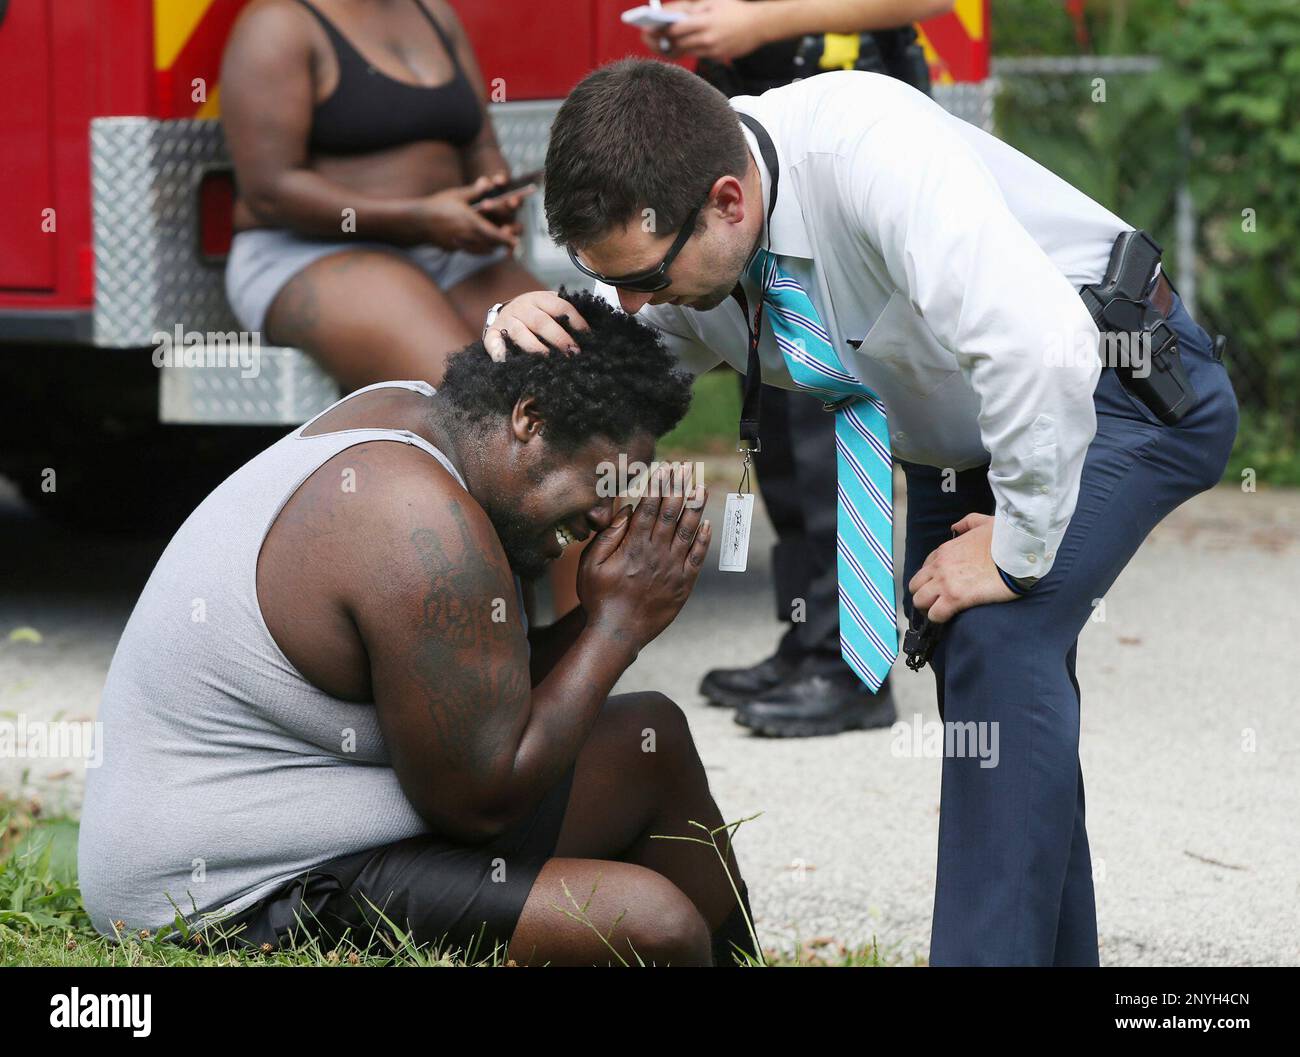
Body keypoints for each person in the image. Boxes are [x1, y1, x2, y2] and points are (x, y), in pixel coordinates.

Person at [485, 60, 1239, 965]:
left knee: (999, 633)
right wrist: (521, 327)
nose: (633, 306)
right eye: (609, 280)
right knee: (992, 680)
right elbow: (605, 351)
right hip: (968, 428)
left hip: (1117, 388)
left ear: (730, 202)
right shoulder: (685, 223)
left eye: (643, 278)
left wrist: (1016, 551)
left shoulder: (869, 148)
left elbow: (1041, 352)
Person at [77, 291, 758, 968]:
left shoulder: (420, 414)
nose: (608, 516)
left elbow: (478, 694)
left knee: (651, 738)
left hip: (311, 816)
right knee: (651, 925)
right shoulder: (418, 521)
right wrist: (616, 629)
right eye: (605, 479)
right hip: (224, 891)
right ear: (529, 419)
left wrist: (610, 610)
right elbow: (479, 804)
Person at [641, 0, 951, 737]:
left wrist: (758, 25)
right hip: (746, 120)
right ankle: (811, 635)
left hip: (841, 119)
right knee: (774, 402)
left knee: (828, 416)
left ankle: (859, 668)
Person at [219, 0, 545, 392]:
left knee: (570, 375)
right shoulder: (278, 23)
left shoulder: (432, 12)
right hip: (312, 253)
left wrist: (493, 198)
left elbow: (479, 144)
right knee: (471, 398)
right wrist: (418, 220)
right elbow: (270, 191)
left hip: (446, 249)